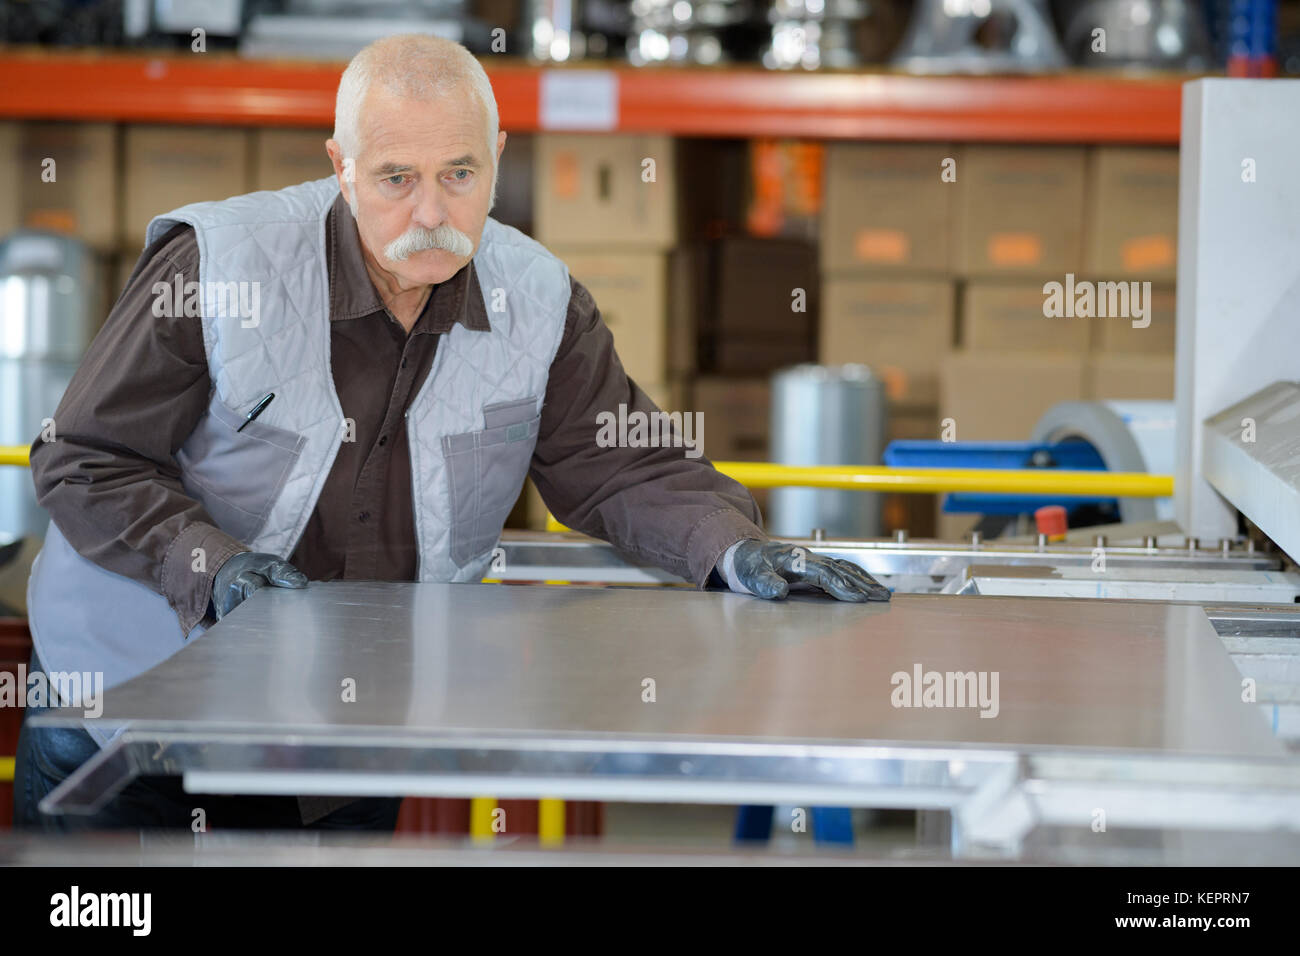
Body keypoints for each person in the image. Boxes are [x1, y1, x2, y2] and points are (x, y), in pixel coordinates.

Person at [15, 34, 889, 833]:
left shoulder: (539, 300)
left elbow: (620, 464)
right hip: (135, 705)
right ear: (342, 166)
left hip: (343, 726)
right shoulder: (221, 265)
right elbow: (85, 454)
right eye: (397, 177)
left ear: (499, 160)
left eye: (460, 175)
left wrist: (733, 551)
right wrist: (213, 563)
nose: (431, 210)